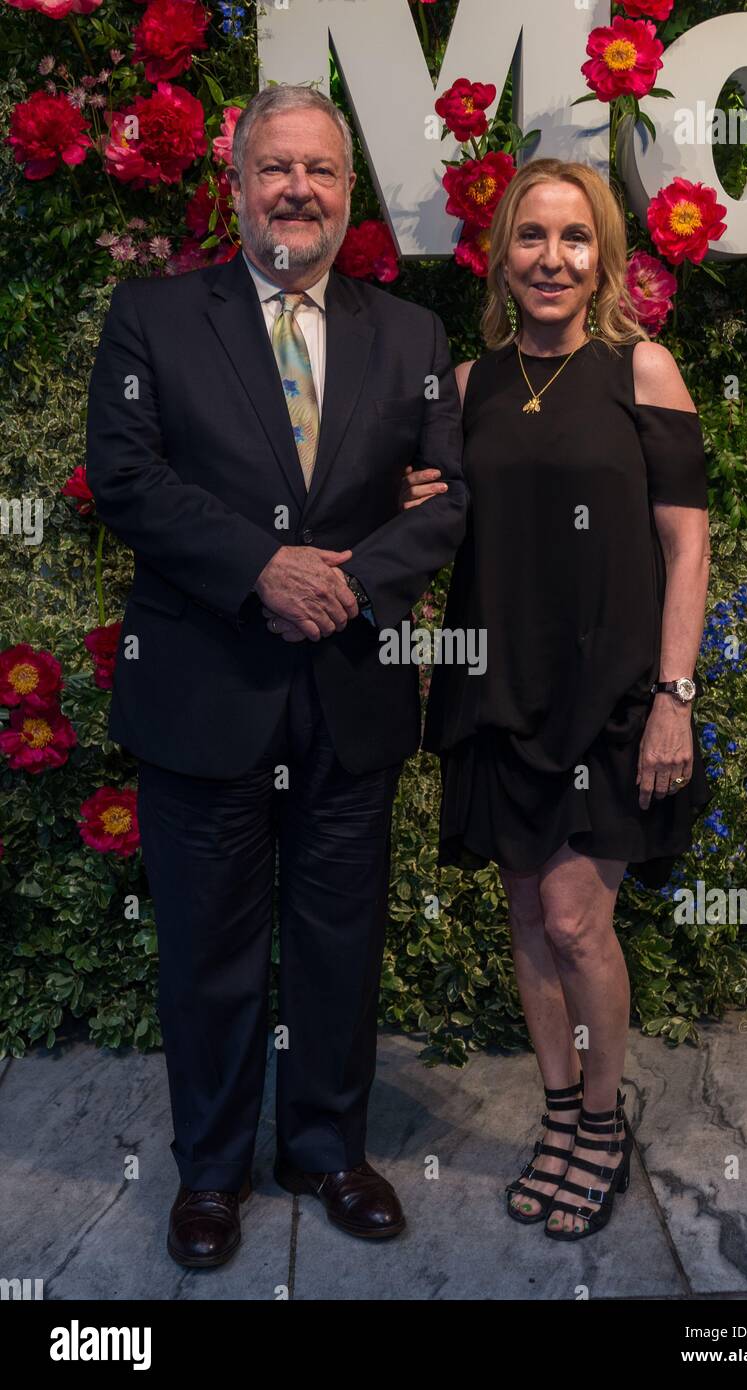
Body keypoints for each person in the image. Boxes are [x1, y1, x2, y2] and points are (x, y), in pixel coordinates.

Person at [85, 83, 467, 1265]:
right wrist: (261, 567)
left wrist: (345, 581)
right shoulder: (153, 316)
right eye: (274, 168)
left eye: (319, 170)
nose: (296, 188)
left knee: (340, 944)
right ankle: (208, 1173)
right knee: (207, 948)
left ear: (347, 195)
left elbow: (448, 495)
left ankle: (325, 1150)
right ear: (235, 184)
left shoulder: (408, 336)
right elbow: (126, 476)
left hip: (347, 694)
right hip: (207, 694)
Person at [401, 158, 712, 1241]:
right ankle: (555, 1113)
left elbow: (686, 545)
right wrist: (422, 502)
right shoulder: (472, 385)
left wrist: (674, 695)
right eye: (530, 237)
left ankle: (599, 1118)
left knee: (580, 918)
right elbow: (446, 523)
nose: (550, 258)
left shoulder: (643, 370)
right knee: (527, 914)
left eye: (573, 238)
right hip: (496, 685)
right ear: (501, 258)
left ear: (602, 259)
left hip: (613, 693)